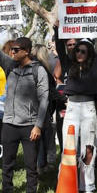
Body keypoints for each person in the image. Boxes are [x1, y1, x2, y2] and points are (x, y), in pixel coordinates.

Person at [0, 12, 48, 193]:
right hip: (9, 124)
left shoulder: (38, 70)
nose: (12, 52)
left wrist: (38, 125)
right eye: (11, 49)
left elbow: (44, 98)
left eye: (16, 50)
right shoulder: (9, 66)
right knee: (7, 164)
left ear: (26, 51)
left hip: (29, 126)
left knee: (30, 166)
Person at [54, 22, 97, 193]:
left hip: (88, 109)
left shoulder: (94, 66)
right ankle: (65, 185)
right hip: (71, 108)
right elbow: (61, 49)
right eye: (77, 50)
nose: (79, 54)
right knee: (68, 149)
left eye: (83, 51)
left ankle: (87, 188)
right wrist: (56, 28)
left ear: (89, 54)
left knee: (88, 149)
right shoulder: (67, 63)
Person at [31, 44, 57, 173]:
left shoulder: (30, 67)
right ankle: (40, 165)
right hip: (43, 108)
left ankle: (38, 164)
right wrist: (63, 99)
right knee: (42, 139)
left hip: (31, 108)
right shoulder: (42, 69)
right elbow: (50, 91)